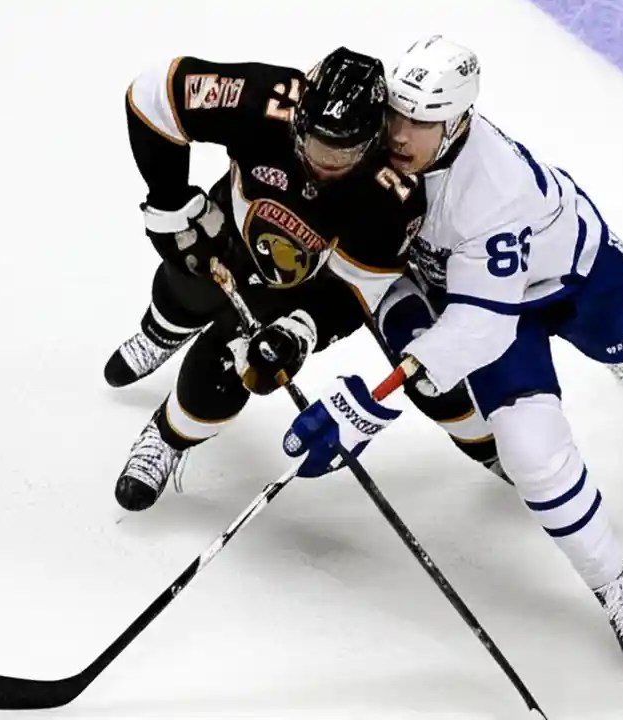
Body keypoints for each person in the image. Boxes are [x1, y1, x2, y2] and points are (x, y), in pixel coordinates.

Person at [281, 36, 623, 665]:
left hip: (572, 279)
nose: (400, 134)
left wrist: (377, 397)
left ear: (456, 122)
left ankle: (619, 346)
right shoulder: (373, 147)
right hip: (475, 300)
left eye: (423, 122)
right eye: (397, 114)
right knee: (534, 454)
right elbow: (382, 273)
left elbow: (478, 329)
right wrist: (400, 361)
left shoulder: (494, 189)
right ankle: (612, 580)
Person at [109, 47, 426, 512]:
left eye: (344, 152)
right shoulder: (263, 99)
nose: (325, 163)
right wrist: (169, 202)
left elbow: (357, 286)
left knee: (231, 372)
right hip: (225, 237)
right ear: (299, 118)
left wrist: (301, 330)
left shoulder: (394, 194)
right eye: (316, 144)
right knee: (184, 288)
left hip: (294, 290)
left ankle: (169, 434)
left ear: (373, 139)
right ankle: (159, 334)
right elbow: (154, 94)